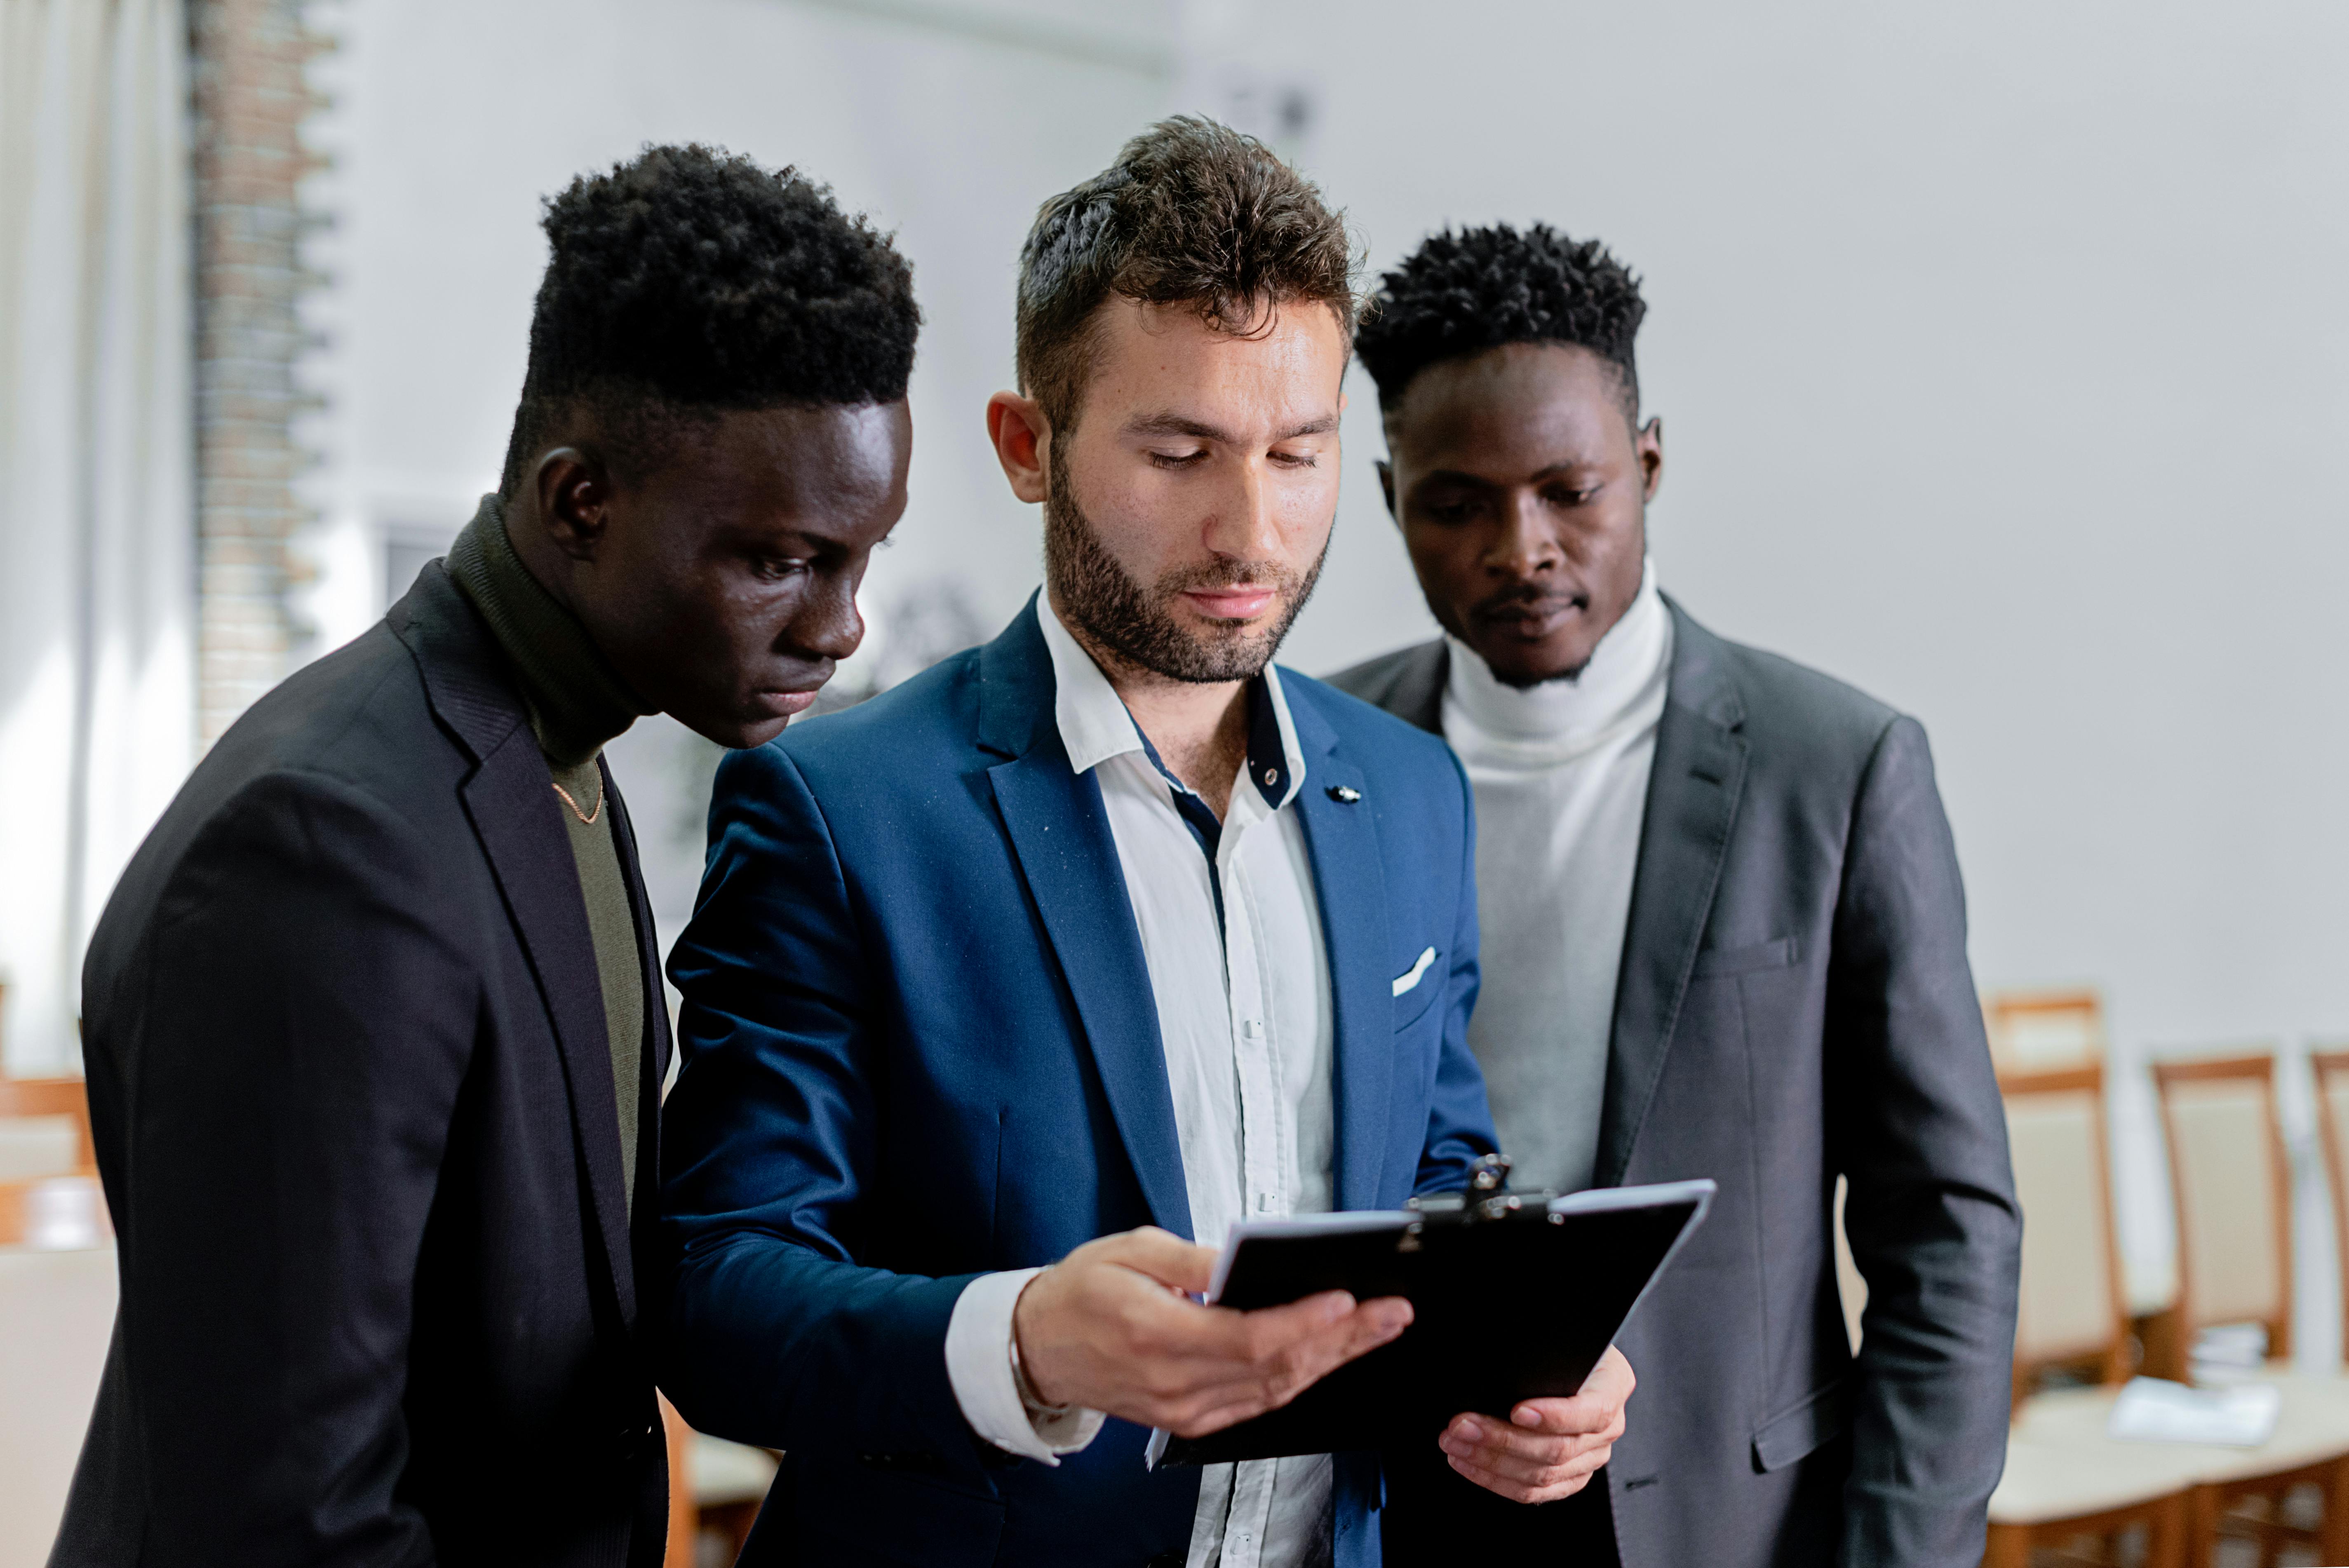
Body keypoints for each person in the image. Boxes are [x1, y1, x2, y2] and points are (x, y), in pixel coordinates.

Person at [657, 120, 1633, 1568]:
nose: (1252, 531)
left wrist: (1526, 1353)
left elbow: (1438, 1166)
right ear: (1025, 446)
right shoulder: (839, 808)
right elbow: (715, 1287)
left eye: (1296, 453)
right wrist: (1025, 1340)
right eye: (1180, 451)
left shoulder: (1412, 791)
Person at [51, 145, 918, 1566]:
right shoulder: (326, 842)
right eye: (782, 558)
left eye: (859, 559)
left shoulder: (559, 758)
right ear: (583, 504)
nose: (840, 627)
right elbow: (290, 1522)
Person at [1332, 224, 2020, 1568]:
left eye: (1567, 490)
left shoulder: (1836, 766)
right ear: (1387, 492)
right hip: (1394, 1494)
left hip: (1721, 1514)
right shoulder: (1329, 753)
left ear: (1646, 464)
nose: (1518, 546)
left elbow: (1943, 1224)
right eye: (1456, 501)